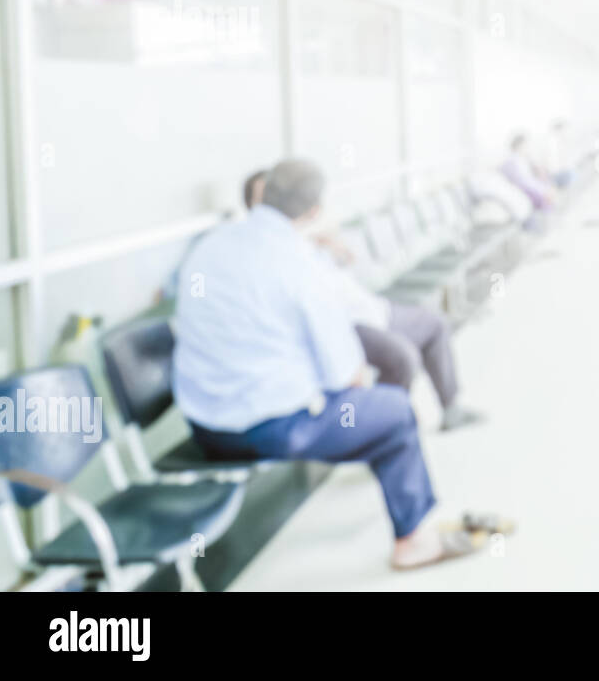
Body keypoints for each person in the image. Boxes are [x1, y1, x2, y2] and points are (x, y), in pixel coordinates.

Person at [172, 159, 488, 569]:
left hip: (205, 427)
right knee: (393, 412)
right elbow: (347, 373)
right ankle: (412, 540)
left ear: (260, 194)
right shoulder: (299, 261)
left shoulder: (209, 247)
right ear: (314, 213)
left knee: (357, 397)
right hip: (269, 430)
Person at [241, 169, 481, 433]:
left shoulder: (304, 240)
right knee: (401, 358)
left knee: (434, 324)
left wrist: (331, 247)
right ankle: (383, 429)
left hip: (372, 308)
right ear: (253, 207)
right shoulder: (261, 254)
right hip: (344, 323)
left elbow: (350, 264)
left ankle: (451, 408)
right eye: (265, 198)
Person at [500, 132, 557, 211]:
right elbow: (524, 182)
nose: (528, 148)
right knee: (548, 200)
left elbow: (530, 179)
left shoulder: (521, 159)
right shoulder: (514, 161)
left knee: (549, 190)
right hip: (525, 193)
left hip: (530, 190)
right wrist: (544, 191)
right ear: (520, 145)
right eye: (527, 145)